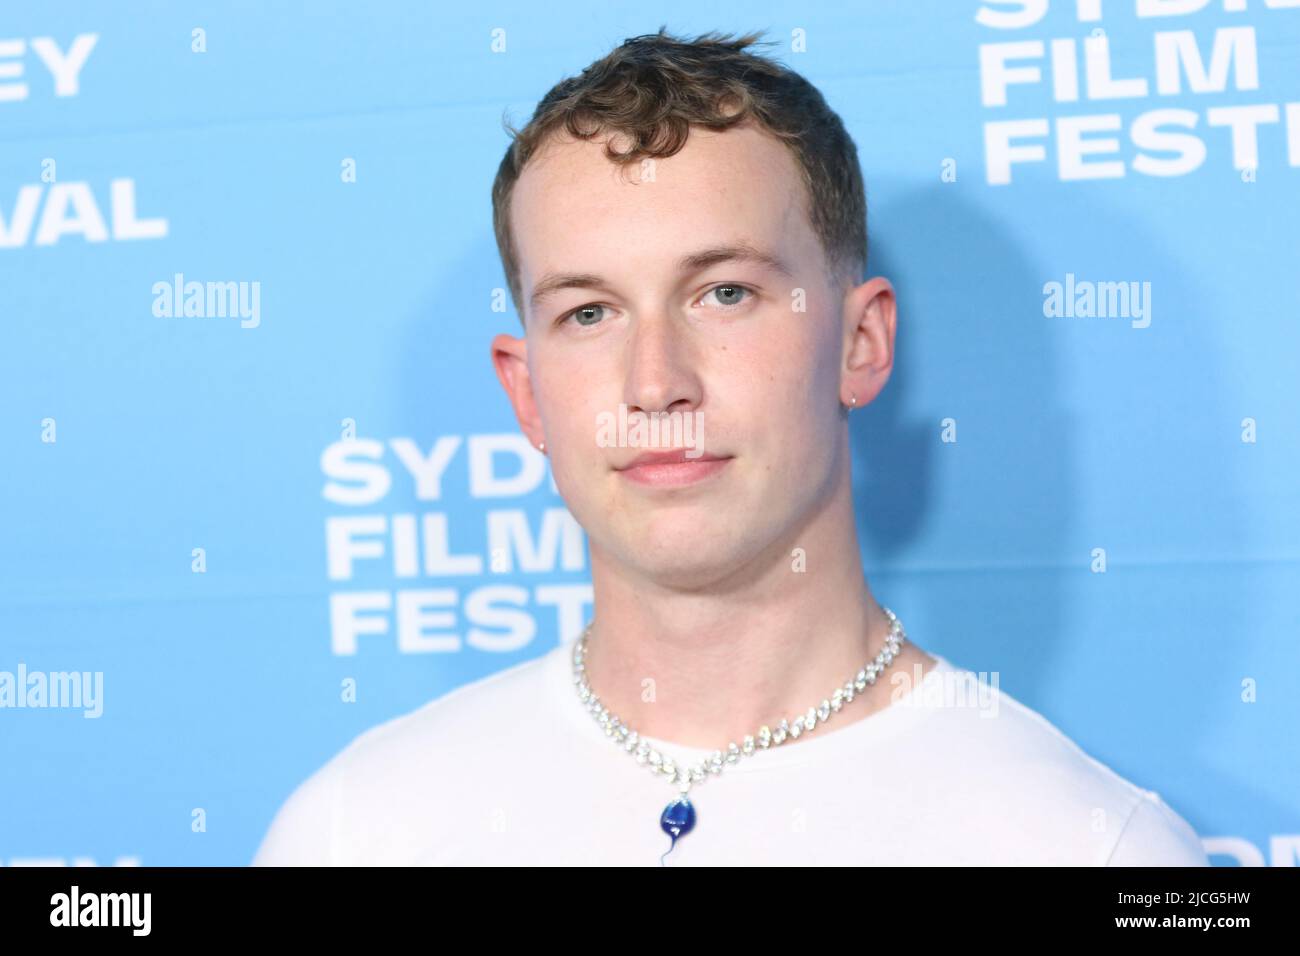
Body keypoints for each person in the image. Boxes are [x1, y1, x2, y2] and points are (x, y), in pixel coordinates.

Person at [252, 26, 1209, 866]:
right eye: (589, 313)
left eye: (725, 294)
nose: (654, 382)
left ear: (860, 342)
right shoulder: (354, 832)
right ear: (526, 393)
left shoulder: (1090, 848)